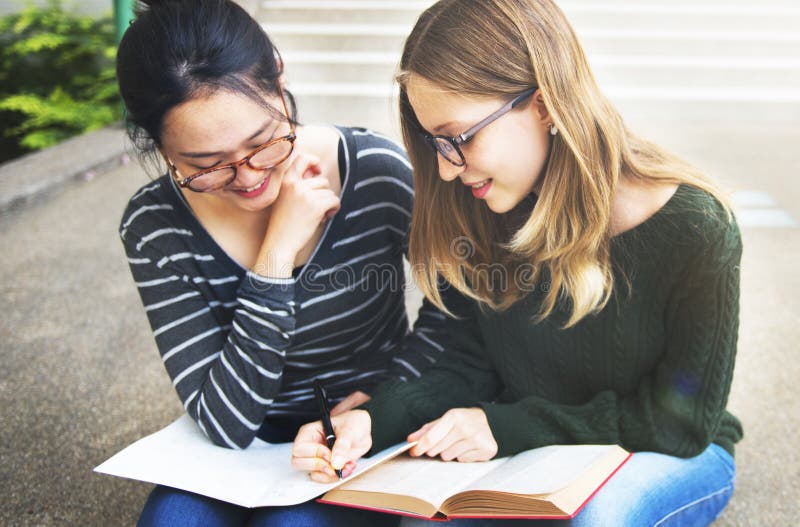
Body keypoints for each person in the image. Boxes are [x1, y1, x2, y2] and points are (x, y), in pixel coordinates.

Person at [292, 0, 743, 525]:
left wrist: (508, 427)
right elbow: (466, 364)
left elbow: (678, 424)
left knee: (595, 521)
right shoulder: (479, 207)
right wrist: (373, 421)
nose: (443, 170)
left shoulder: (694, 226)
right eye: (433, 143)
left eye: (458, 138)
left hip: (668, 452)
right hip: (534, 456)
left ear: (545, 104)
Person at [116, 0, 450, 525]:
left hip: (359, 439)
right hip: (240, 449)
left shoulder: (375, 174)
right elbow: (224, 424)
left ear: (277, 75)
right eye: (206, 167)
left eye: (263, 143)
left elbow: (458, 306)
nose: (248, 179)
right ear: (160, 148)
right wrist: (275, 258)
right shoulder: (155, 226)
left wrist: (391, 397)